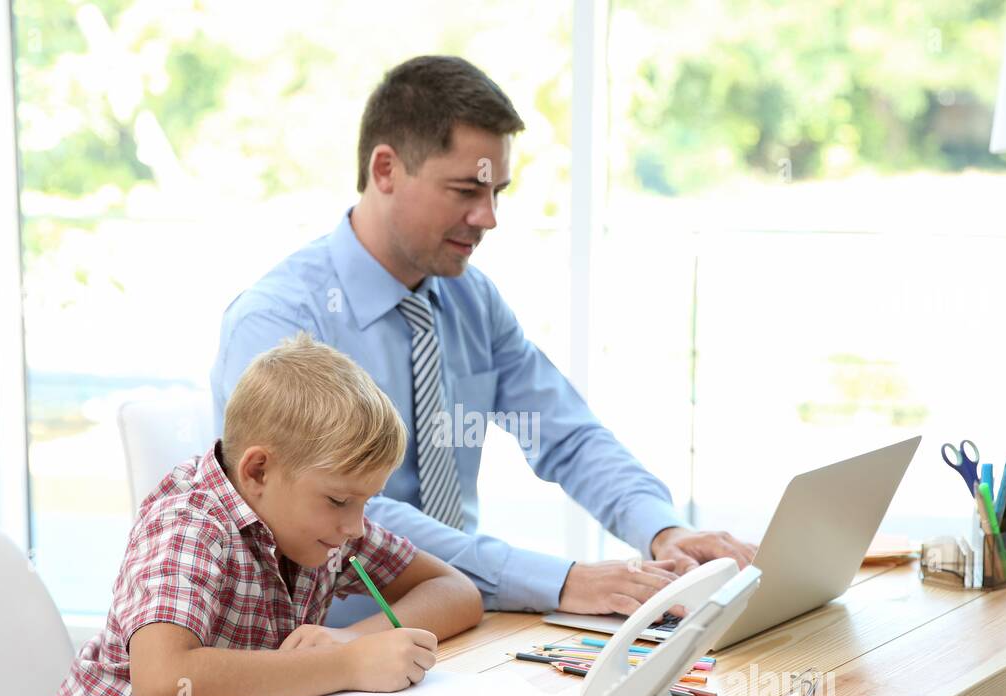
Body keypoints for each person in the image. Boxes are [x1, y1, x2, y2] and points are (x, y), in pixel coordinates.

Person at [212, 55, 755, 629]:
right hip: (329, 642)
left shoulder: (471, 301)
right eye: (466, 189)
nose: (488, 216)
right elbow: (356, 516)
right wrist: (560, 580)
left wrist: (663, 530)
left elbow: (566, 436)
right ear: (387, 169)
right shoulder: (277, 323)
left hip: (459, 620)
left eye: (498, 191)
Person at [4, 333, 483, 696]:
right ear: (258, 471)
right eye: (340, 501)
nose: (354, 526)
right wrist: (345, 664)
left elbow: (456, 591)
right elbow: (164, 685)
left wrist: (354, 638)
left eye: (365, 502)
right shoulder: (189, 522)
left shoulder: (323, 524)